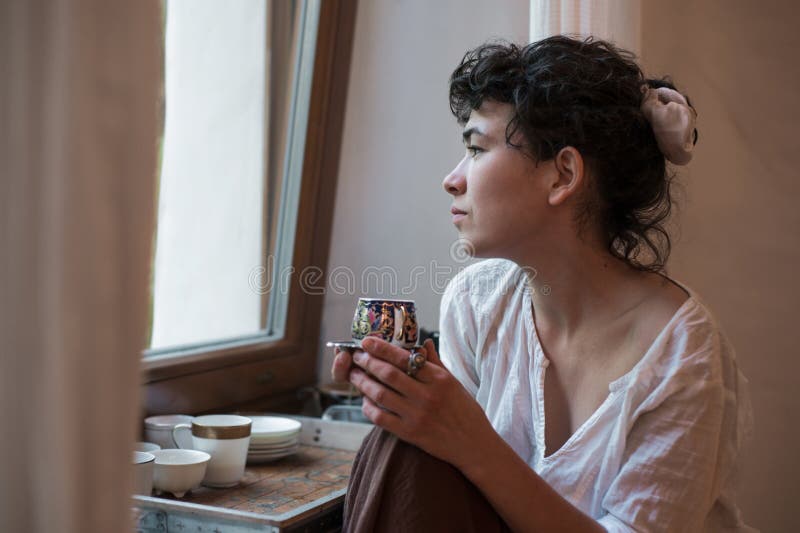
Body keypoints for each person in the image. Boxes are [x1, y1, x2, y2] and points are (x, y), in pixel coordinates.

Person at [331, 35, 755, 532]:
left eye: (476, 148)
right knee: (402, 444)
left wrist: (471, 440)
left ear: (563, 175)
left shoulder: (683, 352)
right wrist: (406, 406)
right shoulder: (475, 302)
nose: (452, 179)